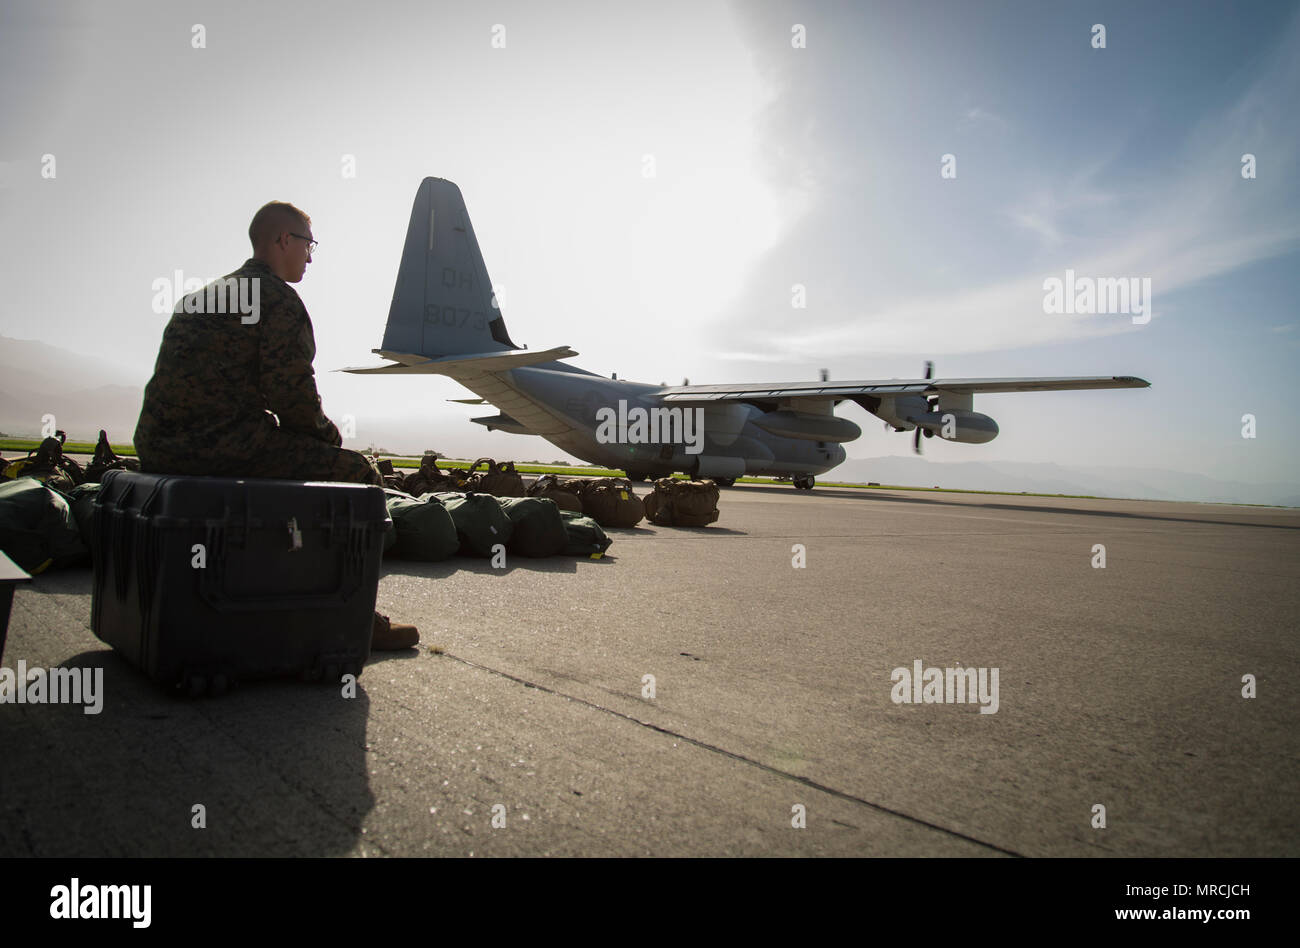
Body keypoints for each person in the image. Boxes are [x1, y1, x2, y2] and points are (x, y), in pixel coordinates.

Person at [134, 200, 417, 649]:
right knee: (358, 476)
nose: (310, 256)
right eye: (308, 244)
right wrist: (331, 441)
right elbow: (294, 399)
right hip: (223, 445)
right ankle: (355, 617)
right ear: (283, 240)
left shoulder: (202, 296)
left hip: (158, 445)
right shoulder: (278, 299)